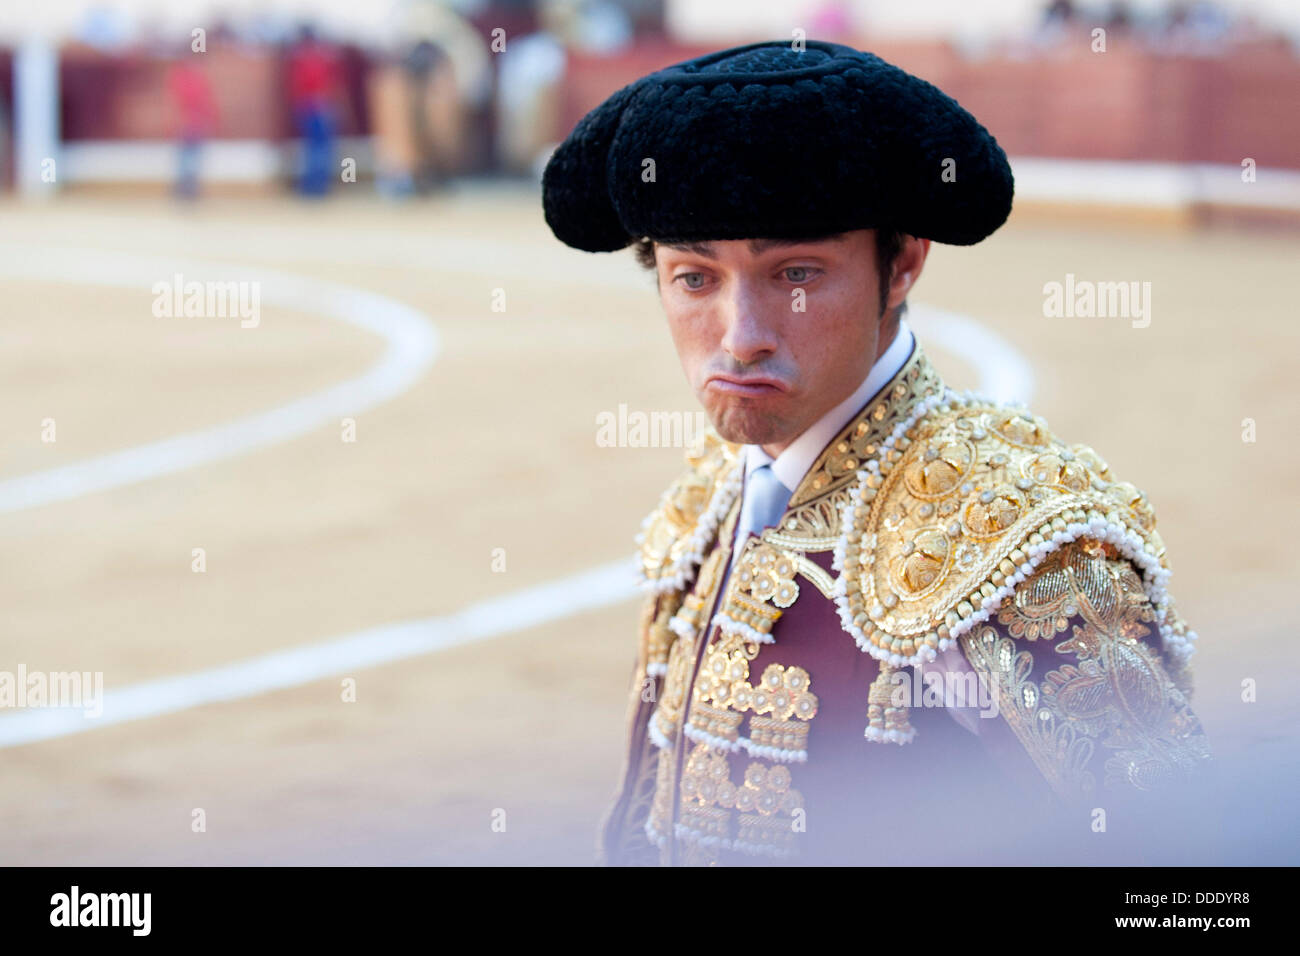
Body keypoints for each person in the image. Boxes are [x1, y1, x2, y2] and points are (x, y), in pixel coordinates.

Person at [541, 39, 1214, 866]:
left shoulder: (1017, 544)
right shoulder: (718, 491)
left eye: (796, 274)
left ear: (902, 265)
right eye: (694, 279)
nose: (740, 339)